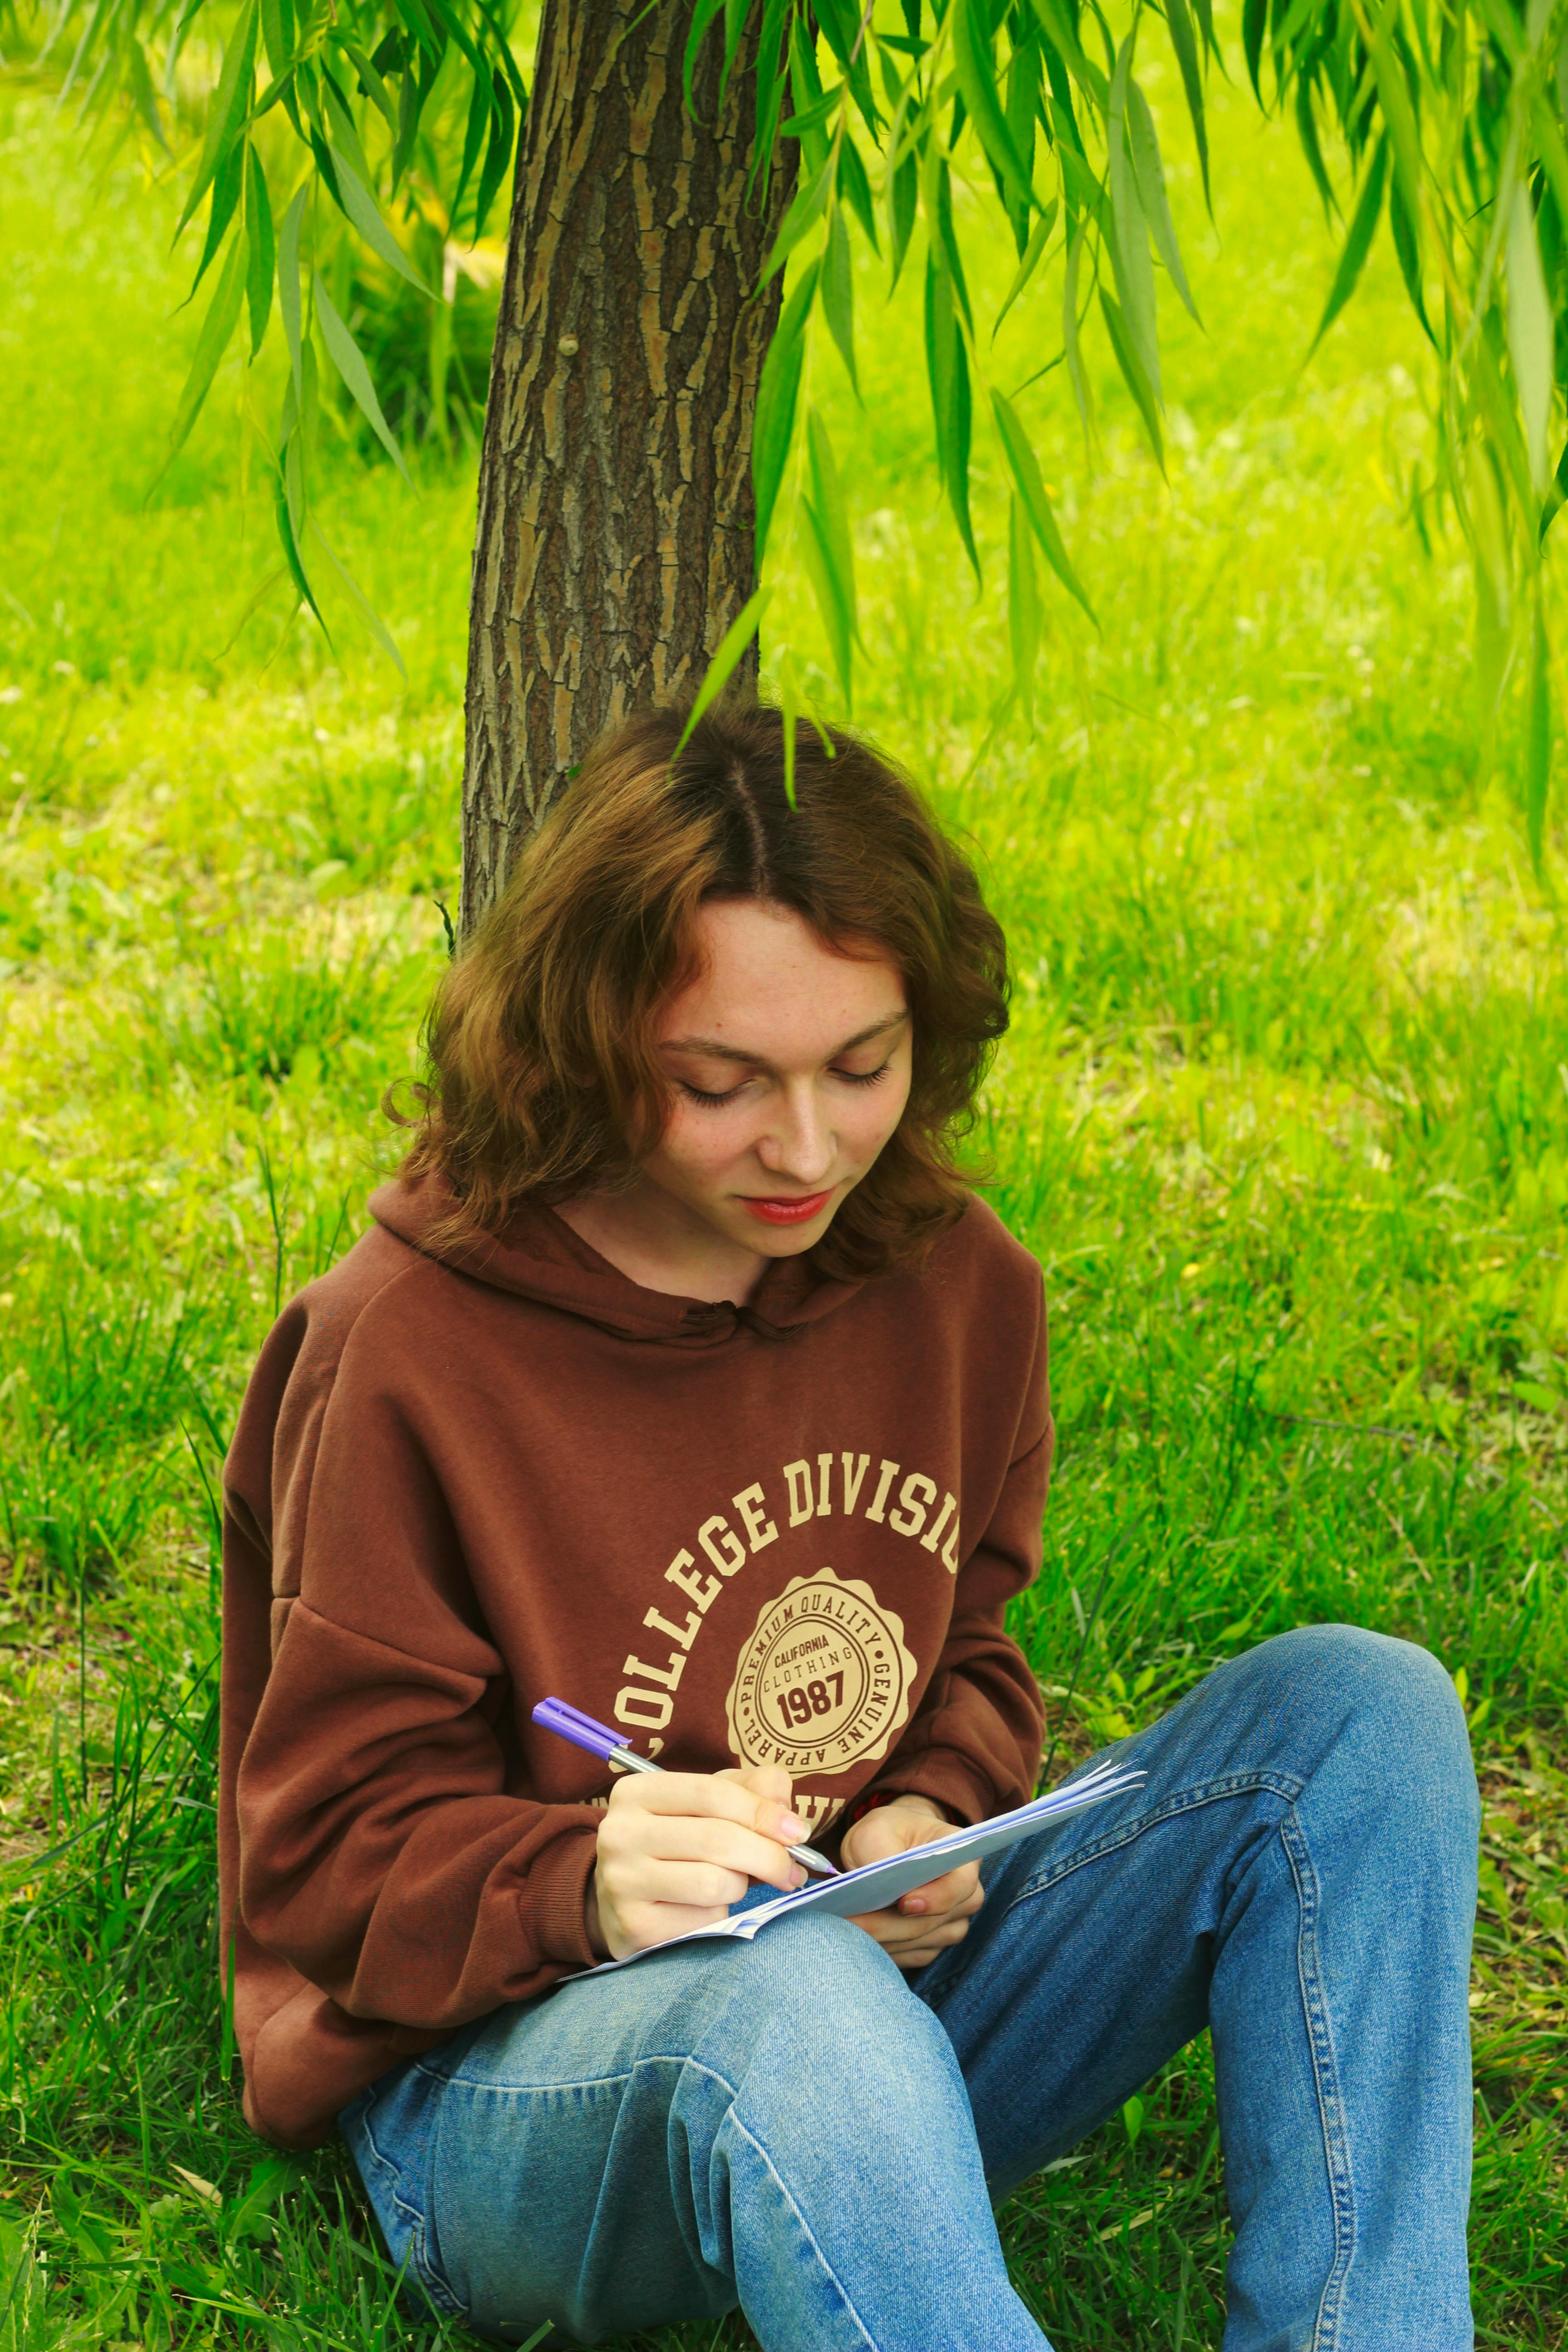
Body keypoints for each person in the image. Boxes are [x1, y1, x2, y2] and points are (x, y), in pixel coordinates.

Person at [219, 703, 1480, 2352]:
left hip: (871, 2019)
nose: (806, 1146)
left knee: (1361, 1715)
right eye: (722, 1083)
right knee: (794, 1996)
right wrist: (584, 1880)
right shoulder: (406, 1350)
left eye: (861, 1067)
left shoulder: (957, 1286)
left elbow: (964, 1649)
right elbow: (315, 1862)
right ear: (593, 1043)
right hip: (498, 2092)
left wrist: (923, 1809)